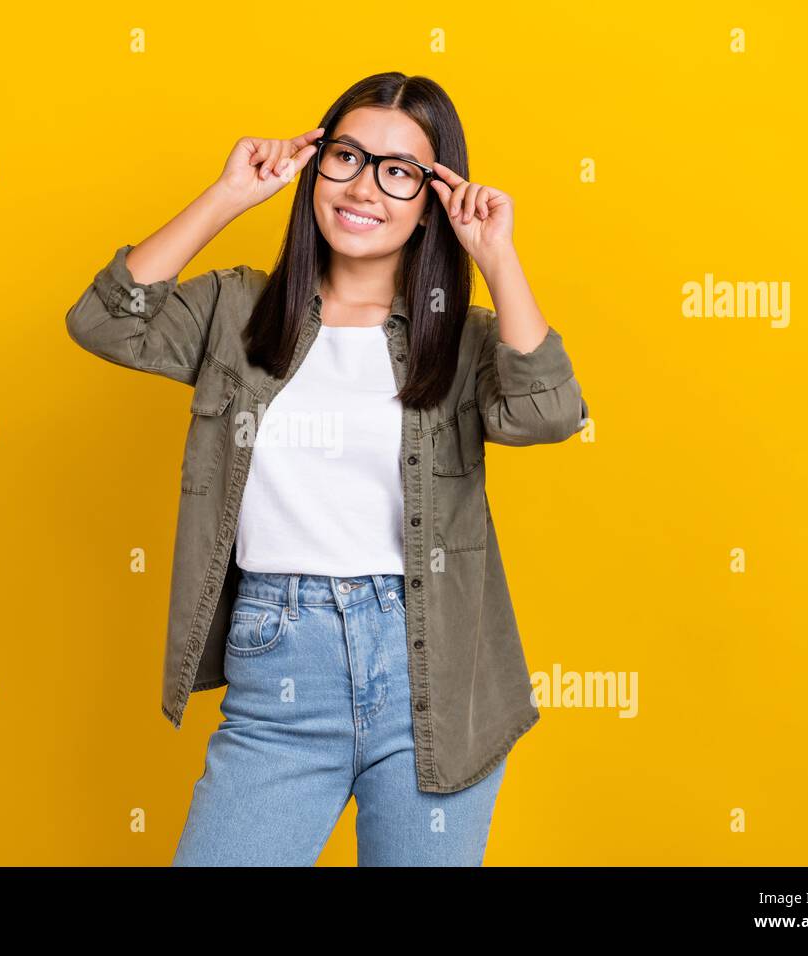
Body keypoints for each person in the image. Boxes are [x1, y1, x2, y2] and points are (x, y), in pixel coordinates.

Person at [66, 71, 590, 865]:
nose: (364, 187)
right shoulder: (237, 311)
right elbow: (102, 319)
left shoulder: (463, 337)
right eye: (346, 156)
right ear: (315, 168)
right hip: (281, 667)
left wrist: (497, 255)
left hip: (435, 681)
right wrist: (227, 195)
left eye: (398, 171)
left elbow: (547, 414)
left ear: (431, 200)